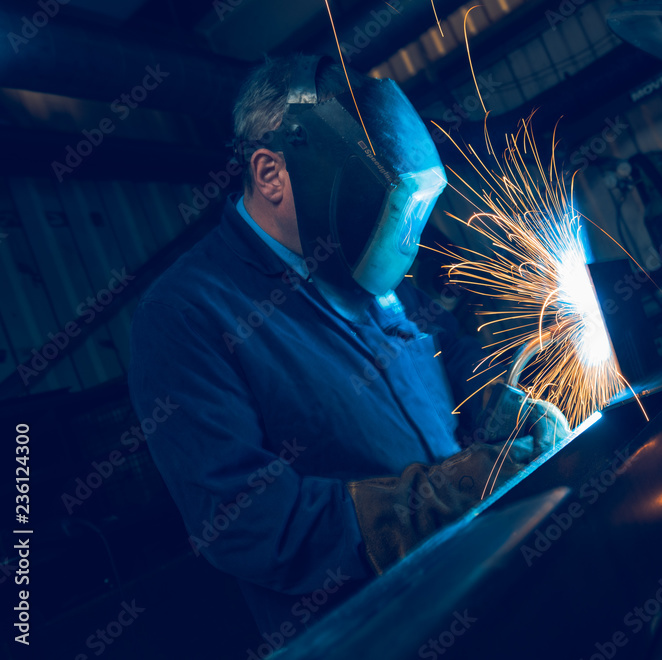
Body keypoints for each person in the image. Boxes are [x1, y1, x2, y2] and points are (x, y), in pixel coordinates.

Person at [127, 53, 568, 639]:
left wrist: (495, 403)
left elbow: (447, 350)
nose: (401, 237)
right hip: (376, 635)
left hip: (474, 587)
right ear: (270, 174)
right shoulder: (185, 314)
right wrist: (432, 502)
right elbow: (248, 524)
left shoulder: (355, 259)